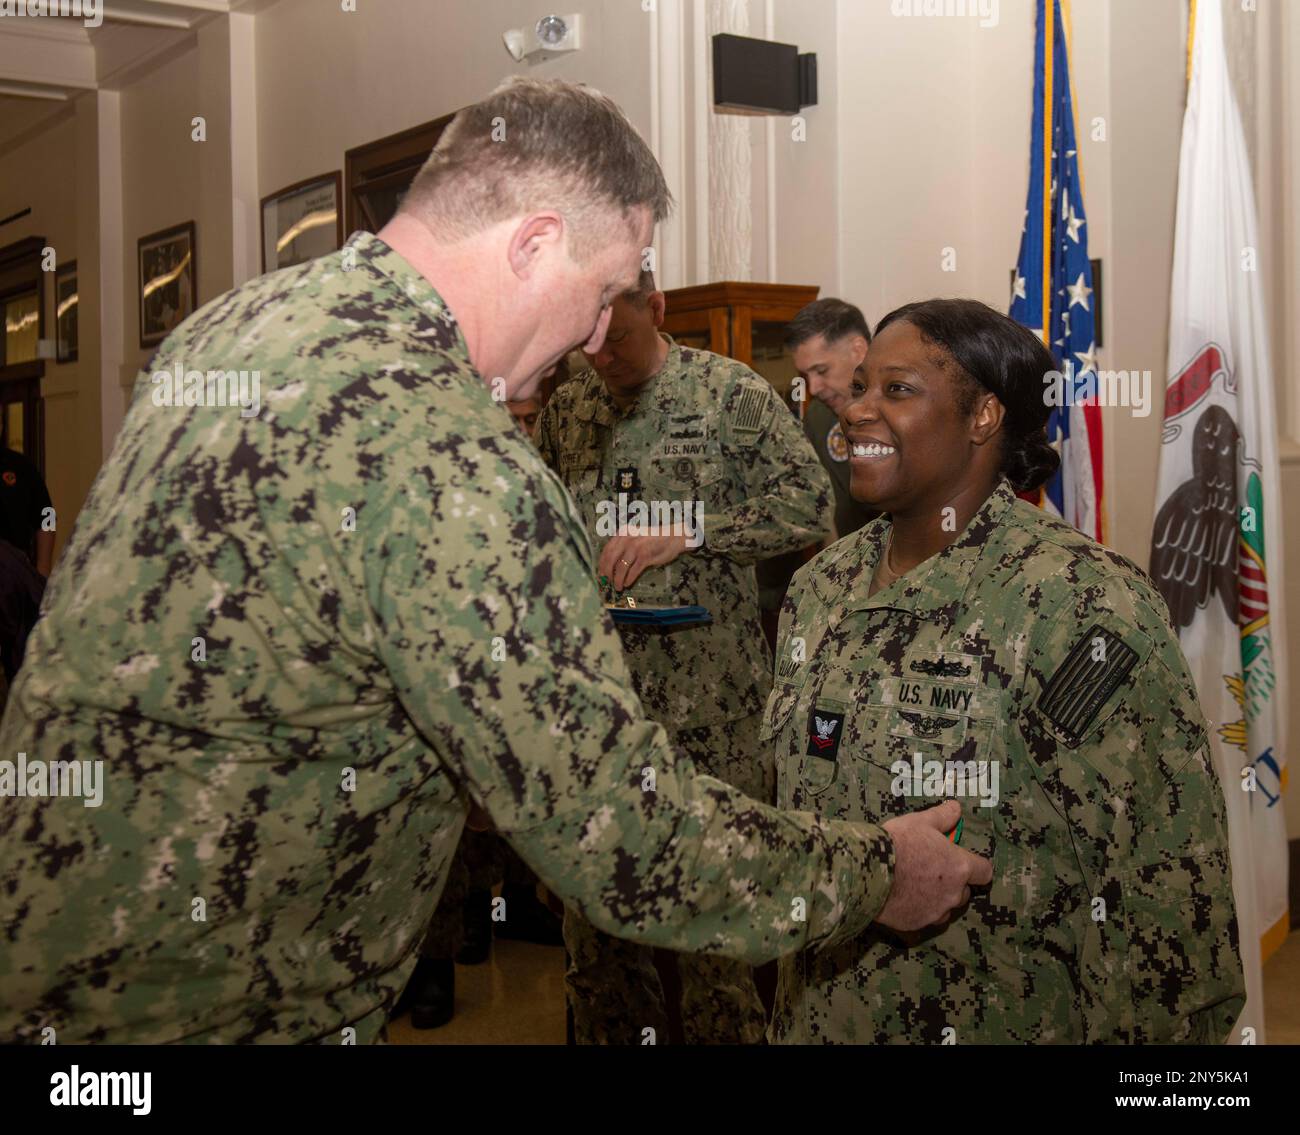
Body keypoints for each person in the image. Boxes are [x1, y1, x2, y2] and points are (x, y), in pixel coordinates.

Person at [0, 79, 989, 1045]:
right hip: (227, 1000)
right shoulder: (454, 455)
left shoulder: (233, 327)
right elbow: (617, 833)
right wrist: (875, 873)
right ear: (534, 244)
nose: (599, 333)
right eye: (602, 292)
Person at [765, 298, 1245, 1044]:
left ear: (984, 416)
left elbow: (1169, 919)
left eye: (895, 389)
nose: (856, 412)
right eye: (858, 387)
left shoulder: (1080, 605)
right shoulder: (818, 588)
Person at [536, 270, 833, 1044]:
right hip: (600, 713)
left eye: (620, 338)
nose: (602, 359)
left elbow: (811, 503)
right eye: (588, 344)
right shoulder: (569, 408)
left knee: (715, 938)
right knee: (597, 932)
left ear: (657, 308)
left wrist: (694, 529)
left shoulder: (727, 394)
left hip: (712, 715)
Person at [786, 298, 878, 542]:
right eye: (805, 375)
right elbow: (826, 511)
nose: (813, 387)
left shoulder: (906, 410)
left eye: (822, 371)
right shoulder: (819, 417)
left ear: (858, 350)